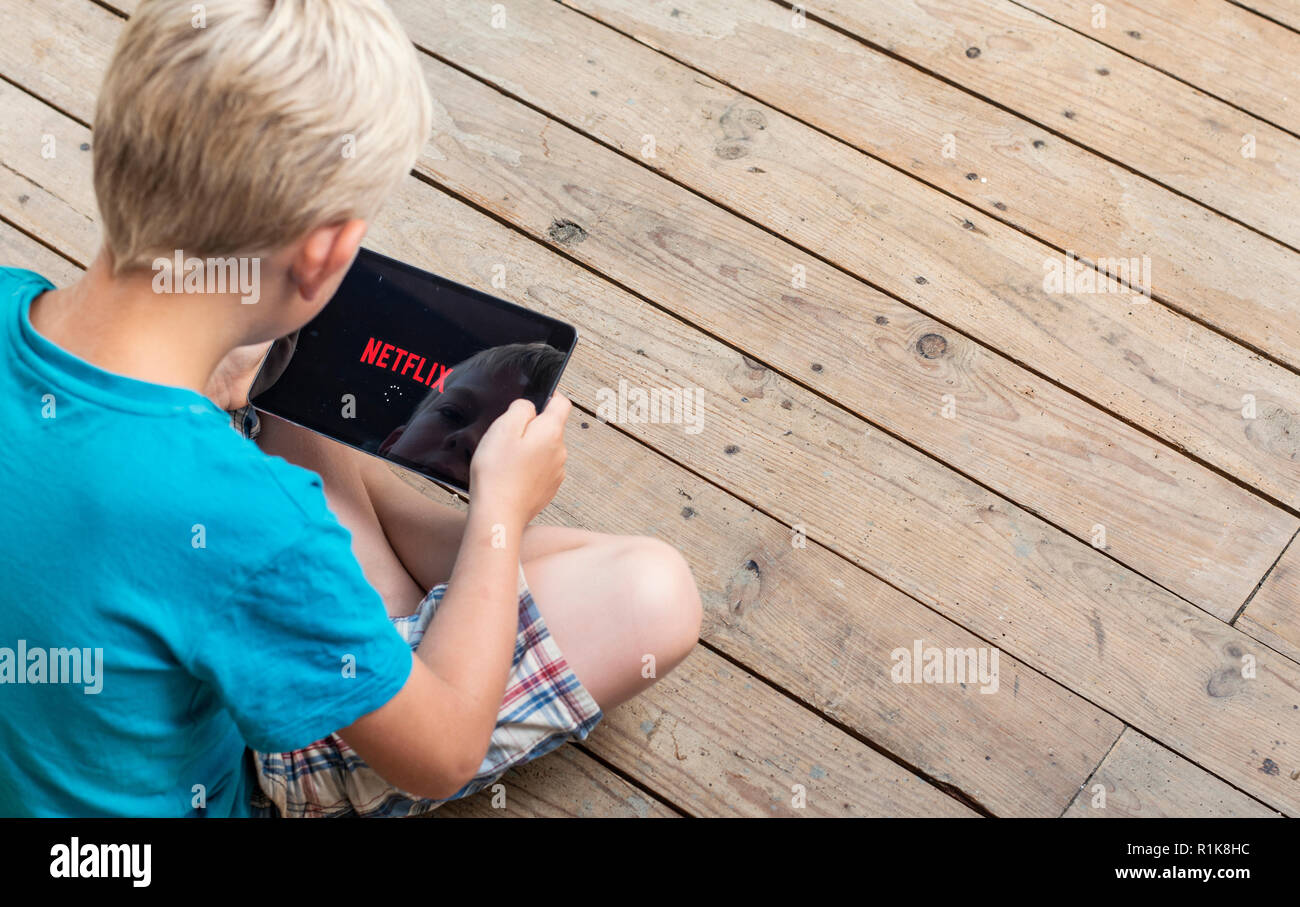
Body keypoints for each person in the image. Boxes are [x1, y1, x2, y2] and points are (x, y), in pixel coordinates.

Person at [0, 0, 701, 818]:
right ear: (328, 252)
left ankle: (392, 606)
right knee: (654, 590)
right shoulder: (243, 518)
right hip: (235, 777)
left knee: (290, 403)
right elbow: (442, 752)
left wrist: (207, 398)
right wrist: (501, 510)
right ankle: (409, 605)